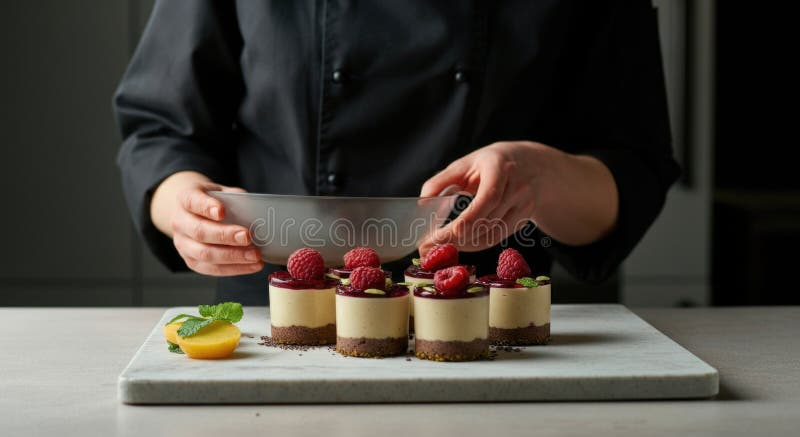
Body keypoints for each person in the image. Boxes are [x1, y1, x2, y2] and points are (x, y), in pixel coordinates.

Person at [114, 1, 679, 305]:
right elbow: (163, 128)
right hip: (277, 314)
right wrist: (185, 207)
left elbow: (632, 166)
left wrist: (540, 176)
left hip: (489, 325)